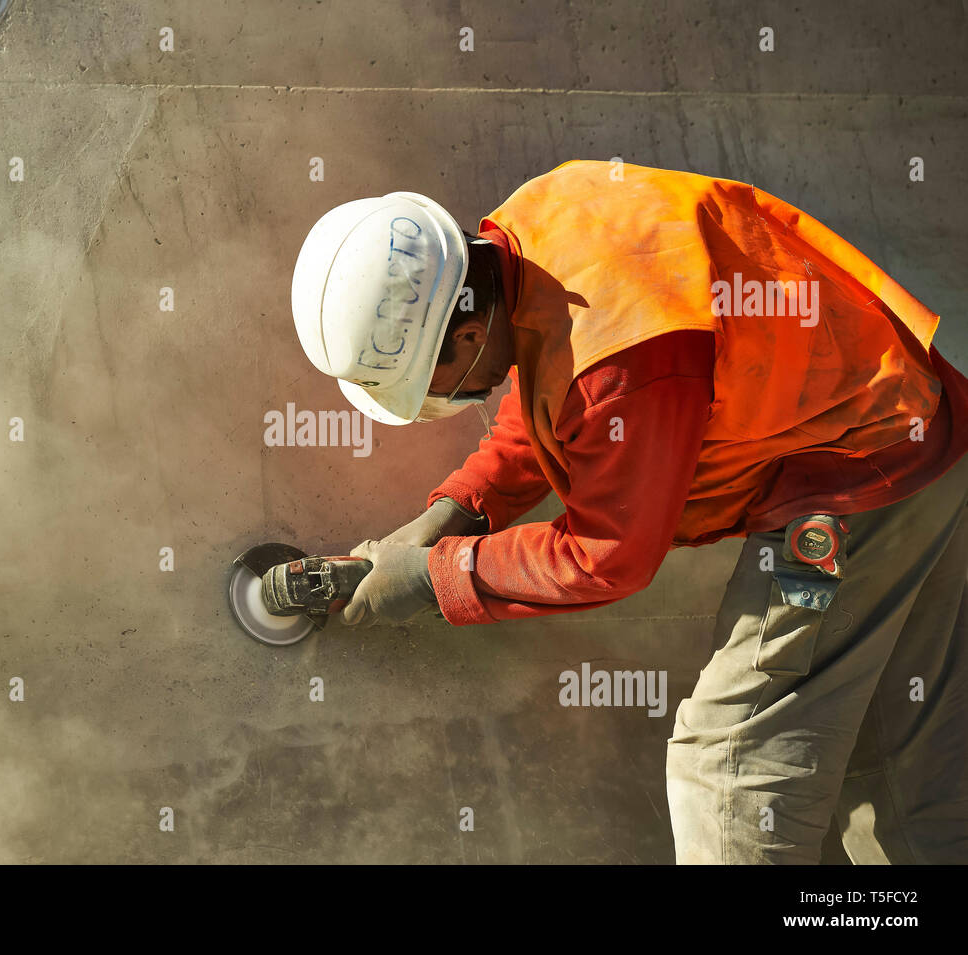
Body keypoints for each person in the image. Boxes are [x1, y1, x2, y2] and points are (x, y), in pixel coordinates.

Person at [289, 160, 968, 864]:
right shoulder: (539, 226)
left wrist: (437, 576)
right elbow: (556, 388)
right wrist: (459, 509)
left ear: (464, 338)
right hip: (916, 434)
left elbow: (607, 552)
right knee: (895, 768)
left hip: (862, 483)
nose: (439, 403)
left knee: (729, 771)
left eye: (426, 382)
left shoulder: (627, 365)